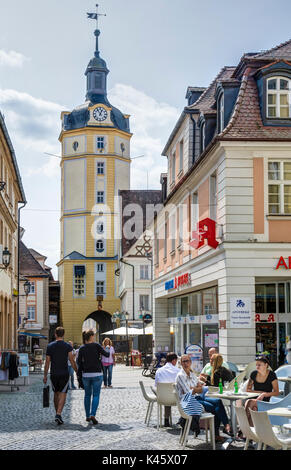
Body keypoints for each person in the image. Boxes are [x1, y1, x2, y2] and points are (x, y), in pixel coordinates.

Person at [176, 354, 231, 442]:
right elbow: (189, 392)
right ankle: (219, 433)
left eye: (188, 361)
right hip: (190, 402)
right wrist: (196, 388)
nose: (186, 363)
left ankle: (226, 425)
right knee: (215, 408)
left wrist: (196, 388)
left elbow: (199, 387)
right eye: (184, 361)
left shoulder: (191, 374)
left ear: (190, 362)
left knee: (218, 401)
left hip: (198, 398)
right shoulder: (180, 376)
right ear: (181, 363)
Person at [43, 327, 77, 425]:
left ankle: (58, 413)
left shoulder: (50, 346)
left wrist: (45, 375)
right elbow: (71, 360)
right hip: (64, 374)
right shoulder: (67, 346)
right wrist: (77, 372)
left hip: (54, 374)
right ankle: (58, 413)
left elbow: (47, 362)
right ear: (63, 334)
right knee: (63, 393)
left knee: (56, 393)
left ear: (55, 334)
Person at [77, 330, 110, 424]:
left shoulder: (82, 348)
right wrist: (107, 348)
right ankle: (93, 414)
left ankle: (87, 416)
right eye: (94, 335)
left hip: (86, 374)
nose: (95, 337)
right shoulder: (97, 345)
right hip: (97, 374)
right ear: (91, 336)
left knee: (87, 395)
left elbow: (79, 362)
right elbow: (106, 355)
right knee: (96, 395)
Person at [244, 355, 279, 426]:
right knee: (254, 408)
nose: (257, 367)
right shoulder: (253, 374)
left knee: (249, 402)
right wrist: (261, 393)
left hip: (265, 401)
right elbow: (248, 390)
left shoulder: (272, 375)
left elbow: (276, 392)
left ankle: (243, 427)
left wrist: (264, 394)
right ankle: (250, 434)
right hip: (255, 399)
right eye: (256, 365)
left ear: (266, 365)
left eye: (259, 365)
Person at [154, 352, 180, 427]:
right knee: (170, 392)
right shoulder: (178, 371)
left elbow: (156, 384)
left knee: (157, 389)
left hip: (162, 397)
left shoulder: (159, 371)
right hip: (175, 397)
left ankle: (166, 419)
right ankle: (183, 418)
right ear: (174, 361)